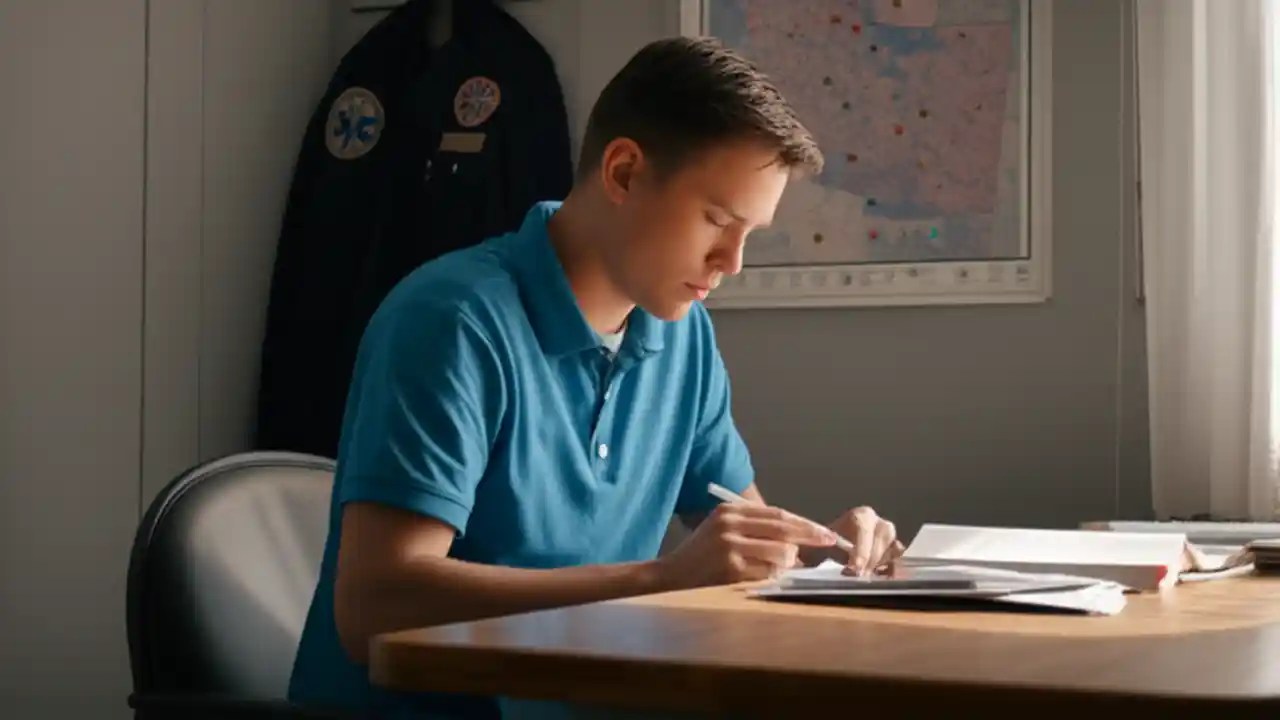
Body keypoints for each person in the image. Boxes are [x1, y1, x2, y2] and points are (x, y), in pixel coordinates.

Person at [288, 35, 903, 719]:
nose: (732, 262)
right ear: (623, 173)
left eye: (750, 234)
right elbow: (373, 606)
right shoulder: (452, 322)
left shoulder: (681, 334)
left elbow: (742, 536)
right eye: (718, 221)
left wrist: (825, 555)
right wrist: (661, 580)